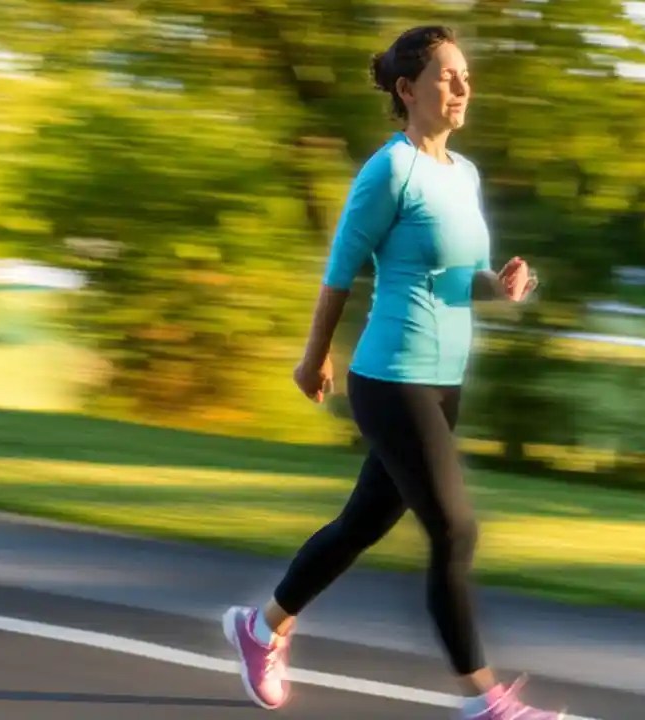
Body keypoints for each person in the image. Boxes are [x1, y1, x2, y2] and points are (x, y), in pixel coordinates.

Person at [220, 24, 565, 720]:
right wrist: (313, 358)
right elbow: (340, 272)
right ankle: (486, 703)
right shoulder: (391, 169)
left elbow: (461, 278)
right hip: (390, 379)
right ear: (408, 90)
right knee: (454, 532)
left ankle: (261, 628)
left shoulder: (463, 174)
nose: (463, 86)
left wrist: (501, 286)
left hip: (442, 383)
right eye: (447, 76)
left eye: (465, 75)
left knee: (361, 524)